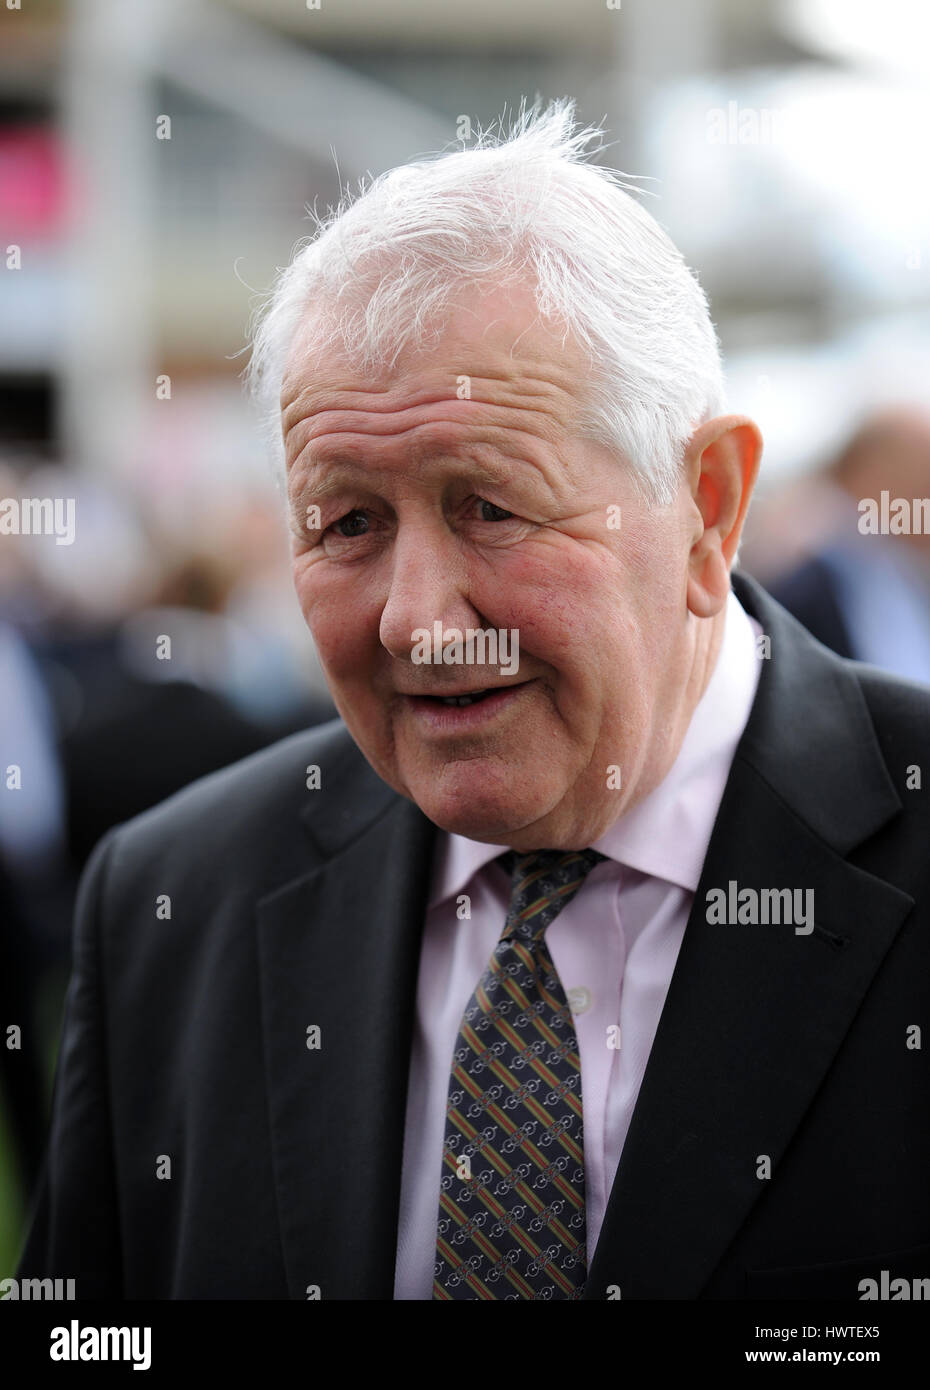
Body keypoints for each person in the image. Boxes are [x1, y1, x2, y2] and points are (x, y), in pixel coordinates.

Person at [16, 100, 930, 1300]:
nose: (414, 619)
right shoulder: (172, 900)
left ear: (706, 506)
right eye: (347, 523)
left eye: (490, 508)